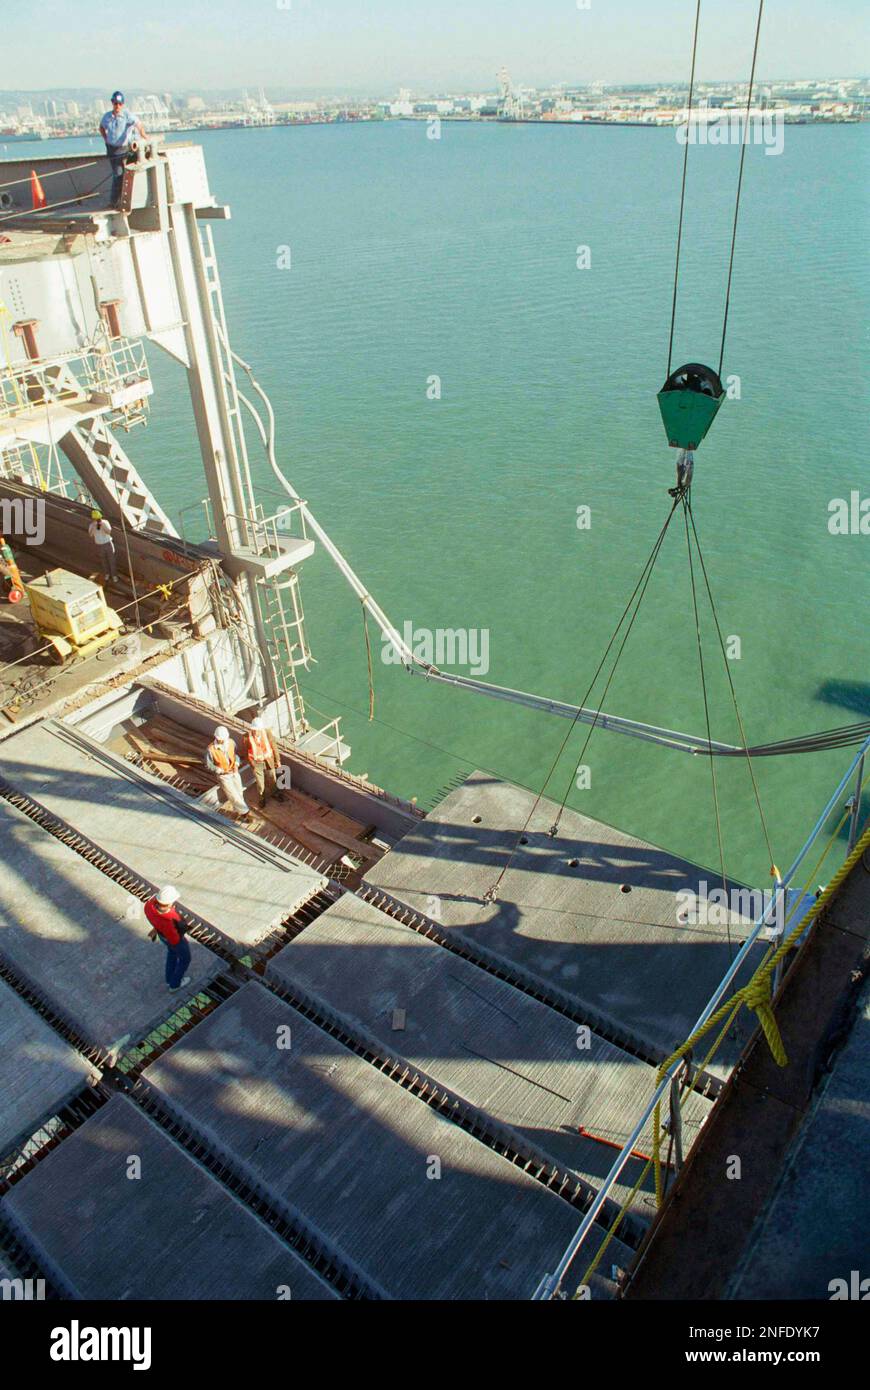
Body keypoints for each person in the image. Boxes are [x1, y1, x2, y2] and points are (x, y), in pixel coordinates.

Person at [99, 91, 146, 208]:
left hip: (123, 150)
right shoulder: (107, 117)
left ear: (123, 104)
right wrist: (106, 139)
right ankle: (115, 201)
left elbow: (138, 124)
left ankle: (115, 202)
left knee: (119, 175)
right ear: (112, 103)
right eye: (115, 103)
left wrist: (143, 135)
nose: (117, 106)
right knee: (117, 175)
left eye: (119, 103)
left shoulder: (127, 116)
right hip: (111, 150)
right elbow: (101, 128)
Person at [144, 885, 191, 992]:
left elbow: (152, 917)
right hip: (173, 940)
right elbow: (175, 939)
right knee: (185, 959)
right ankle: (175, 984)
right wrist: (181, 942)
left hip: (162, 935)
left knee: (172, 953)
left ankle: (169, 978)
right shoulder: (169, 918)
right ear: (169, 903)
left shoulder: (149, 905)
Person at [205, 725, 253, 820]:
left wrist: (236, 763)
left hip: (234, 771)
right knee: (233, 795)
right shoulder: (211, 749)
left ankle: (238, 811)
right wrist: (217, 769)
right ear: (216, 737)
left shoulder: (231, 743)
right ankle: (245, 813)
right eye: (220, 739)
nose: (222, 741)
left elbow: (235, 755)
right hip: (223, 775)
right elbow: (208, 764)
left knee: (239, 792)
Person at [246, 716, 286, 808]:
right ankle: (262, 798)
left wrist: (278, 761)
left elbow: (274, 747)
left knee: (272, 779)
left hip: (268, 761)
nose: (255, 732)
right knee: (260, 783)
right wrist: (252, 764)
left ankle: (275, 794)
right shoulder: (247, 737)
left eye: (257, 730)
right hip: (257, 763)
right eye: (254, 729)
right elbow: (246, 752)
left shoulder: (267, 733)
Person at [88, 509, 119, 583]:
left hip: (108, 544)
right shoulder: (92, 525)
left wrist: (102, 526)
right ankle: (107, 574)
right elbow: (90, 535)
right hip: (100, 546)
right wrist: (94, 527)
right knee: (104, 561)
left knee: (112, 561)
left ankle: (114, 575)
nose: (97, 521)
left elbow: (108, 532)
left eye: (98, 519)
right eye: (95, 519)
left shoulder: (105, 522)